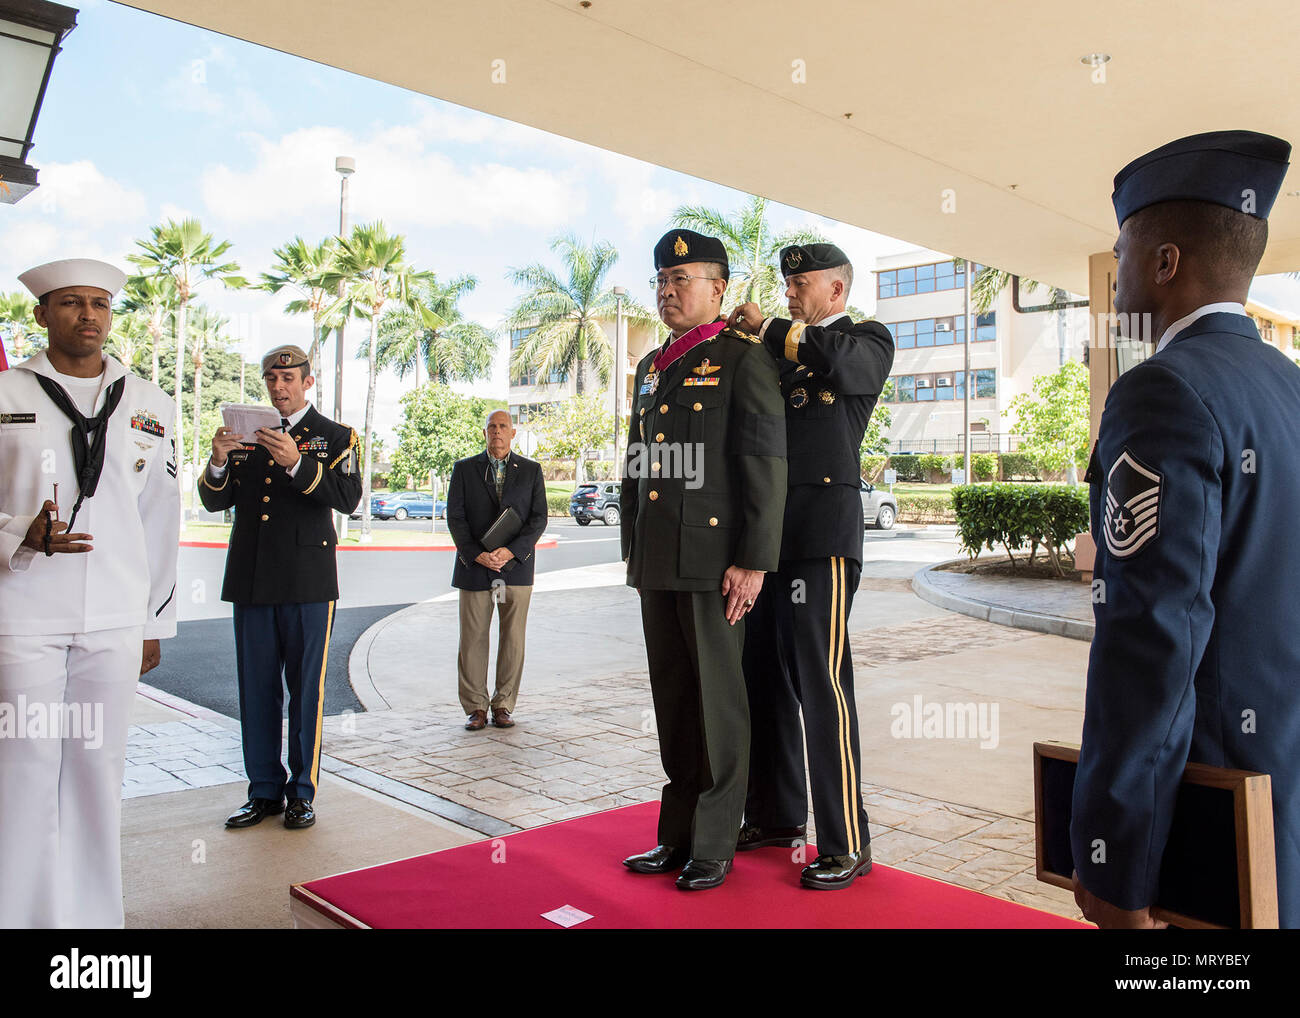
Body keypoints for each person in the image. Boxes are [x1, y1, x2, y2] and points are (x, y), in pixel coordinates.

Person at [1070, 130, 1300, 928]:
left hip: (1210, 818)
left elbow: (1152, 641)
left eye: (1123, 252)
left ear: (1166, 263)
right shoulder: (1287, 386)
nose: (1117, 274)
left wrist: (1115, 860)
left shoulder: (1163, 391)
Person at [0, 258, 179, 927]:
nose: (89, 315)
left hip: (114, 615)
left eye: (100, 303)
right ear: (41, 314)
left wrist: (153, 620)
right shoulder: (7, 392)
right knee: (21, 772)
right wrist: (17, 531)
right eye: (71, 302)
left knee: (98, 773)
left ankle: (93, 926)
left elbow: (161, 515)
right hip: (22, 614)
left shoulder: (149, 402)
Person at [620, 229, 786, 890]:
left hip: (716, 562)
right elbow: (638, 466)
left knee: (718, 704)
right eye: (662, 280)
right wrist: (633, 551)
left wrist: (754, 560)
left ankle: (714, 843)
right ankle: (678, 834)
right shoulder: (651, 366)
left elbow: (763, 462)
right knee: (675, 700)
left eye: (681, 279)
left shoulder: (742, 360)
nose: (667, 290)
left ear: (717, 289)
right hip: (659, 559)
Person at [728, 243, 894, 889]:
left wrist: (769, 326)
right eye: (787, 282)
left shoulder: (864, 340)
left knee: (822, 685)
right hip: (767, 542)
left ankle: (847, 840)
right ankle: (776, 816)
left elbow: (839, 363)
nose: (791, 290)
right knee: (763, 680)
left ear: (837, 291)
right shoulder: (775, 352)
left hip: (821, 539)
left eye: (802, 282)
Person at [199, 345, 361, 830]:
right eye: (272, 378)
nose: (279, 386)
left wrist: (297, 464)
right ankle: (264, 790)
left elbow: (349, 498)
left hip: (308, 581)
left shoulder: (335, 436)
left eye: (288, 378)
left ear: (307, 382)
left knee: (306, 692)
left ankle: (302, 793)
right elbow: (215, 502)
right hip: (252, 579)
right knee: (256, 689)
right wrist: (218, 461)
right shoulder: (247, 433)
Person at [445, 410, 548, 730]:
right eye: (492, 426)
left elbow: (538, 519)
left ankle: (503, 705)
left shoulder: (531, 470)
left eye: (503, 426)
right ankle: (475, 707)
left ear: (513, 433)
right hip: (475, 567)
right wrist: (477, 554)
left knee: (513, 639)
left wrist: (511, 551)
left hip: (516, 567)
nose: (497, 431)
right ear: (485, 432)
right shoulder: (464, 469)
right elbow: (455, 518)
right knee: (472, 639)